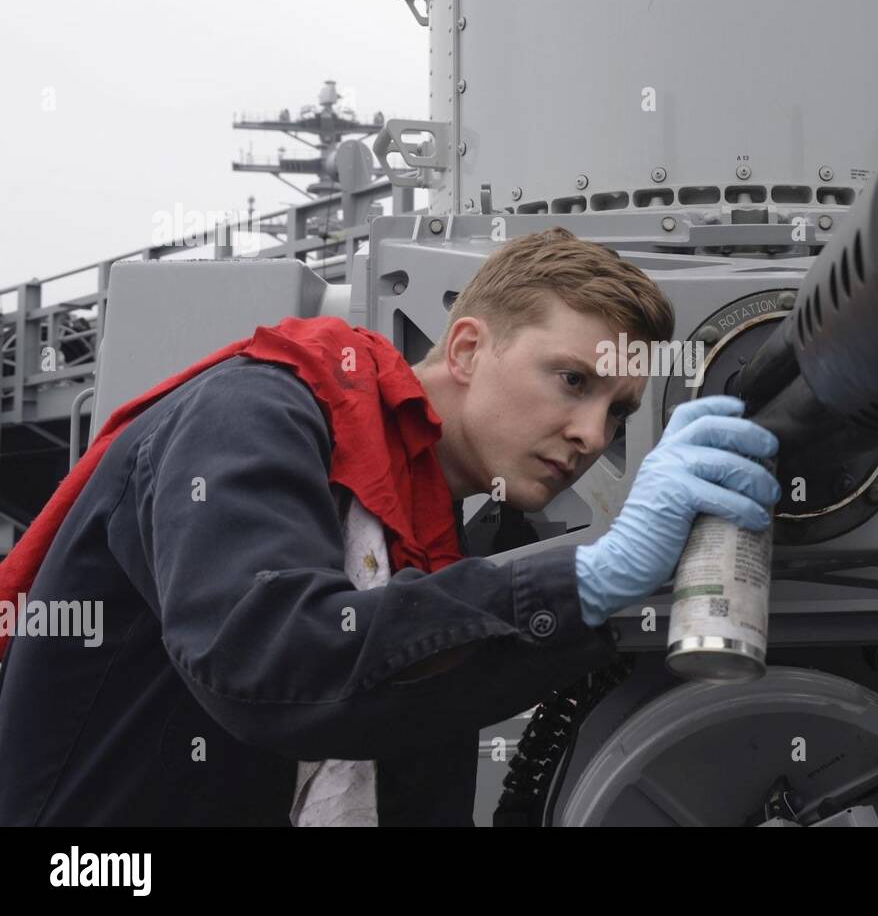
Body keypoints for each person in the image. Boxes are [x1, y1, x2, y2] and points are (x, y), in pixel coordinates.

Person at [0, 227, 781, 825]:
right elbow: (266, 654)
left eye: (617, 411)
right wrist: (588, 576)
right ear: (469, 348)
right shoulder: (254, 411)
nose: (590, 435)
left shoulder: (431, 532)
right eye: (571, 380)